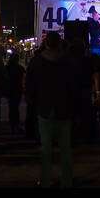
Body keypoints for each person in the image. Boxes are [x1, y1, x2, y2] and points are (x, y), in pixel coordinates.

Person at [27, 31, 76, 187]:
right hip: (64, 107)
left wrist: (33, 103)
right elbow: (73, 86)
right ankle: (67, 180)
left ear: (46, 43)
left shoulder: (36, 61)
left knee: (46, 147)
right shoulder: (68, 61)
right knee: (65, 147)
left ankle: (45, 179)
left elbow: (30, 86)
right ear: (59, 43)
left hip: (44, 107)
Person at [4, 50, 25, 134]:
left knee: (11, 107)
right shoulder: (20, 68)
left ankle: (12, 124)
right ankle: (16, 124)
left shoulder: (7, 67)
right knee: (16, 107)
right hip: (17, 89)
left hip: (10, 89)